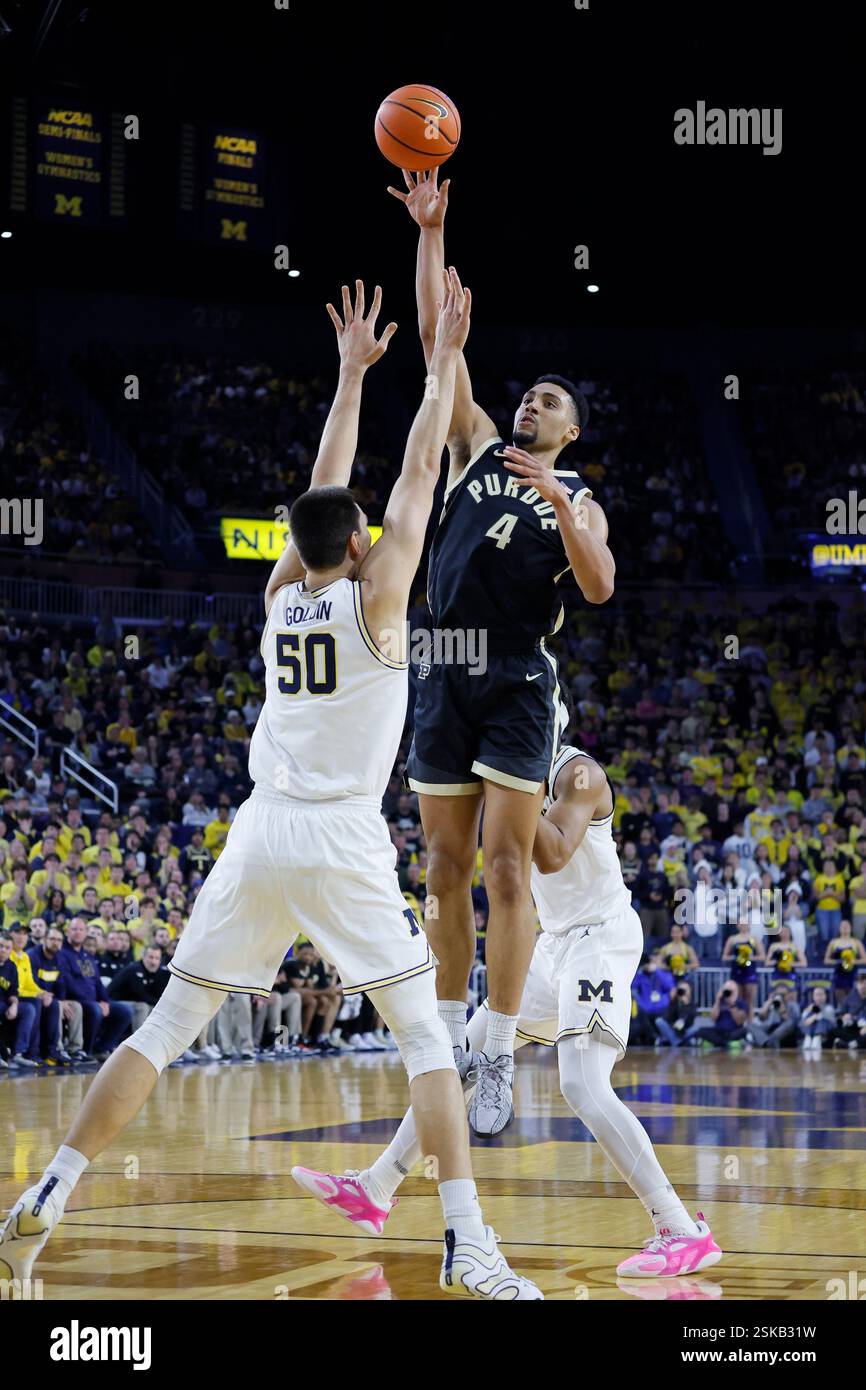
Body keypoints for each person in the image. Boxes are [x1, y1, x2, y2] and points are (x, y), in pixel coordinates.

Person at [2, 274, 539, 1301]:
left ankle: (53, 1190)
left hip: (257, 834)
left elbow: (321, 492)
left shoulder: (280, 597)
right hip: (336, 840)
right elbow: (423, 465)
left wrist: (345, 379)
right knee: (428, 1035)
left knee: (163, 1025)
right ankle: (466, 1241)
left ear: (302, 551)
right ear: (364, 545)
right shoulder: (381, 602)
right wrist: (437, 365)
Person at [292, 737, 721, 1278]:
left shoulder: (580, 774)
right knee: (462, 1058)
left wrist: (510, 791)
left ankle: (681, 1229)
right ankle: (376, 1188)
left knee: (583, 1084)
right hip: (552, 943)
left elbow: (553, 850)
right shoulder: (513, 772)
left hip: (599, 939)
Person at [392, 168, 615, 1134]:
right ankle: (449, 1035)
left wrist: (561, 499)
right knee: (442, 872)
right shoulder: (475, 445)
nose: (532, 401)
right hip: (443, 663)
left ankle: (498, 1043)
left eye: (551, 400)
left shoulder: (579, 497)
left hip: (518, 676)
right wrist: (432, 231)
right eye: (530, 392)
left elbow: (600, 584)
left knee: (508, 871)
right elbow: (443, 344)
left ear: (570, 432)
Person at [721, 922, 766, 1021]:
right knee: (738, 999)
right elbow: (724, 956)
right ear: (737, 925)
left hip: (749, 972)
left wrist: (751, 958)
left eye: (745, 923)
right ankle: (739, 1022)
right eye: (741, 923)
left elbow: (762, 956)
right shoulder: (732, 939)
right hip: (737, 971)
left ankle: (750, 1024)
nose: (743, 925)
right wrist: (735, 957)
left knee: (749, 1000)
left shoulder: (754, 939)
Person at [629, 952, 676, 1046]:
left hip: (662, 1007)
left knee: (661, 1021)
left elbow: (669, 986)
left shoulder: (661, 973)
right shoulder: (640, 974)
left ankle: (670, 1040)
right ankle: (655, 1039)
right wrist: (640, 971)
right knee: (641, 1020)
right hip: (646, 1008)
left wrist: (656, 970)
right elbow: (633, 986)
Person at [687, 980, 748, 1050]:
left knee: (744, 1031)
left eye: (731, 991)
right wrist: (717, 1001)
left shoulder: (741, 1003)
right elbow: (713, 1018)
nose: (728, 993)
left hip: (733, 1031)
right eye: (726, 991)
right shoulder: (720, 1002)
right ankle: (727, 1043)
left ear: (736, 992)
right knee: (701, 1030)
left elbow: (740, 1021)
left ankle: (718, 1042)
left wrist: (732, 1005)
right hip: (719, 1031)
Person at [823, 919, 866, 1008]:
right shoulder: (834, 942)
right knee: (841, 1001)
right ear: (839, 928)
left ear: (851, 928)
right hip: (839, 973)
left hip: (852, 973)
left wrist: (853, 961)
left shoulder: (856, 942)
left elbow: (864, 959)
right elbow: (826, 960)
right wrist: (838, 961)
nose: (845, 927)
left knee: (853, 999)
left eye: (847, 925)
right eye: (843, 926)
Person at [828, 973, 866, 1051]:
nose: (863, 986)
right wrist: (844, 1017)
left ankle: (849, 1045)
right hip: (853, 1027)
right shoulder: (849, 997)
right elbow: (841, 1013)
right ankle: (854, 1044)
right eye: (861, 983)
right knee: (833, 1031)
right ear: (856, 984)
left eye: (865, 983)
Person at [655, 980, 697, 1048]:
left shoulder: (692, 1004)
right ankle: (677, 1042)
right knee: (659, 1021)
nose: (684, 992)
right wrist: (671, 1001)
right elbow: (667, 1017)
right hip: (673, 1029)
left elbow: (690, 1021)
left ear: (690, 990)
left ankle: (675, 1041)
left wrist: (686, 1005)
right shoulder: (674, 1002)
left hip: (685, 1030)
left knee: (696, 1028)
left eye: (686, 990)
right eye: (681, 990)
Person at [799, 986, 836, 1052]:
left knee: (822, 1020)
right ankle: (808, 1037)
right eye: (817, 995)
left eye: (821, 994)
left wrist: (813, 1017)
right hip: (810, 1031)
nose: (819, 997)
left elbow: (830, 1019)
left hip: (824, 1033)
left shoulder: (829, 1007)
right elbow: (802, 1021)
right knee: (806, 1019)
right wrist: (808, 1011)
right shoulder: (810, 1007)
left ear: (825, 996)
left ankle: (817, 1038)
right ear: (813, 996)